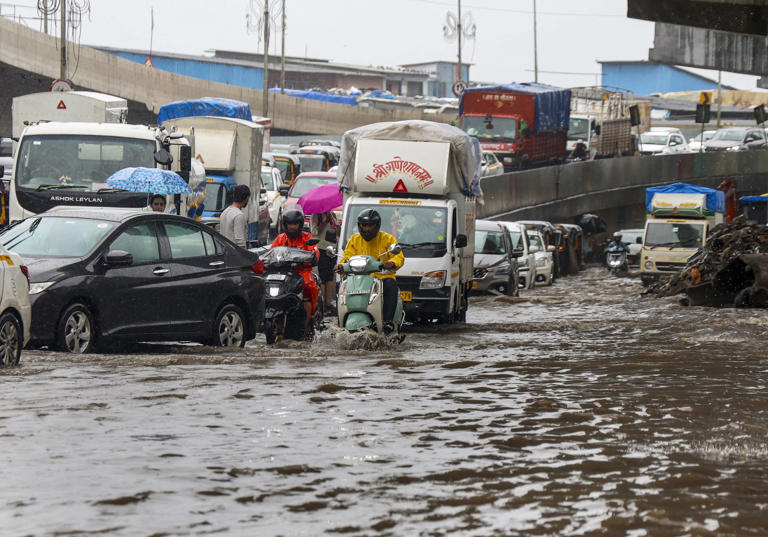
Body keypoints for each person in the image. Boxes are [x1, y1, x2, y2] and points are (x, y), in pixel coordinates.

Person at [335, 209, 404, 334]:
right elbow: (347, 257)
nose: (366, 229)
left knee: (391, 284)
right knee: (341, 285)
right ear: (359, 225)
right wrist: (340, 266)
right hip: (358, 278)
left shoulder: (388, 239)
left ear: (377, 226)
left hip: (381, 278)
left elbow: (399, 256)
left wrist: (391, 263)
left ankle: (388, 322)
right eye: (364, 225)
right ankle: (339, 320)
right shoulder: (354, 239)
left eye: (370, 225)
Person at [272, 208, 319, 330]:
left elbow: (315, 253)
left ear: (300, 224)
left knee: (309, 286)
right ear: (285, 225)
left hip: (302, 272)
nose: (292, 227)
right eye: (290, 224)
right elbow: (271, 253)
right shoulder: (280, 238)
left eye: (295, 224)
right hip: (282, 272)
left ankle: (309, 319)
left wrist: (309, 259)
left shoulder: (307, 237)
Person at [310, 210, 338, 315]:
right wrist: (324, 222)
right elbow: (314, 232)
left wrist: (334, 223)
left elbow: (338, 232)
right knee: (322, 276)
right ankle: (321, 303)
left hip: (332, 249)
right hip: (321, 248)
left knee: (330, 276)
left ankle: (328, 303)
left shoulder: (333, 215)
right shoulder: (315, 215)